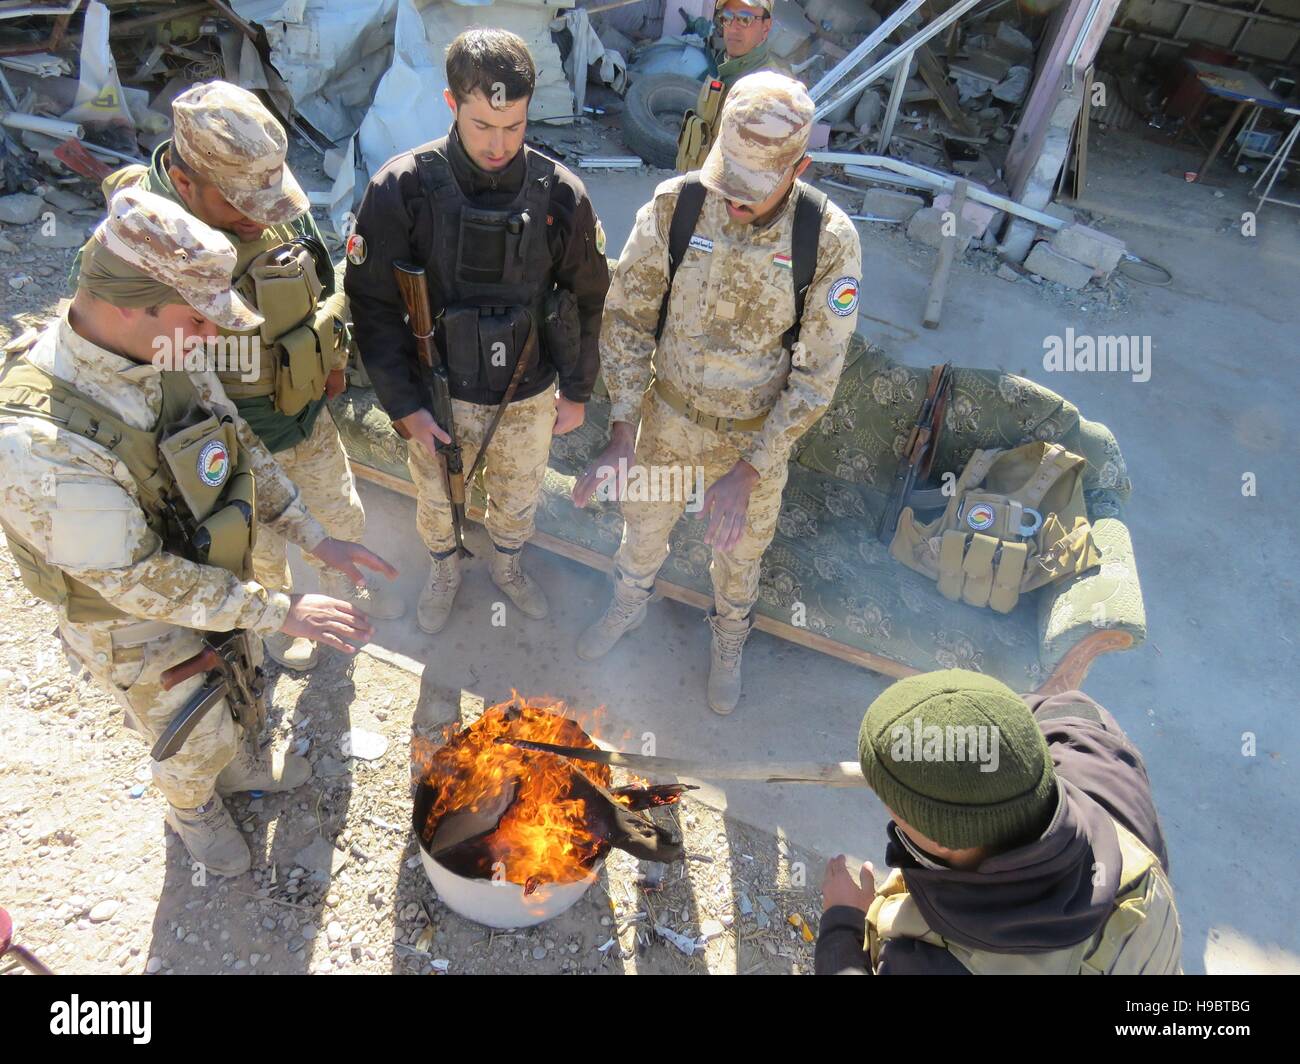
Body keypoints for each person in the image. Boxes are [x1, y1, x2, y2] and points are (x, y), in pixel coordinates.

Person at [0, 188, 396, 876]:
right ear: (127, 301)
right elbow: (136, 579)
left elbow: (236, 446)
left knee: (238, 689)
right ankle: (193, 810)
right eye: (196, 318)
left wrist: (312, 535)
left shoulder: (169, 345)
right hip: (135, 625)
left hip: (216, 576)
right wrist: (281, 610)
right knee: (184, 731)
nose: (212, 338)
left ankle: (240, 768)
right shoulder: (37, 443)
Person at [76, 80, 404, 673]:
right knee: (259, 545)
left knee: (338, 515)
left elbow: (319, 282)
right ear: (183, 183)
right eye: (240, 206)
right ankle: (284, 620)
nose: (261, 217)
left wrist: (330, 362)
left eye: (271, 199)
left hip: (300, 413)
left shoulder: (262, 201)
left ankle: (341, 591)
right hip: (221, 440)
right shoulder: (144, 248)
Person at [574, 72, 862, 715]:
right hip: (667, 421)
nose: (732, 199)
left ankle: (729, 639)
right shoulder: (677, 206)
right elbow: (627, 319)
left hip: (753, 438)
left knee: (739, 557)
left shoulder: (829, 239)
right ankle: (628, 606)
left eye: (751, 191)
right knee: (642, 529)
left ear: (801, 166)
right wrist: (623, 429)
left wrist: (752, 466)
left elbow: (817, 375)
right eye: (727, 177)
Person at [345, 28, 609, 635]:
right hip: (439, 392)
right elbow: (373, 305)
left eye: (513, 126)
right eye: (482, 125)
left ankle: (508, 566)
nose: (498, 144)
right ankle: (445, 568)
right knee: (437, 500)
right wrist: (404, 406)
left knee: (517, 499)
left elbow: (589, 297)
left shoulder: (560, 194)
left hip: (529, 391)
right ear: (450, 103)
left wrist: (577, 390)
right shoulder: (402, 188)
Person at [816, 670, 1183, 975]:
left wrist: (842, 922)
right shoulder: (1104, 771)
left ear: (944, 841)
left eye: (889, 801)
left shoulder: (930, 962)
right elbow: (1060, 706)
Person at [676, 0, 790, 170]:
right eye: (727, 17)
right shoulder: (724, 69)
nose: (734, 27)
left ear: (766, 27)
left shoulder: (770, 90)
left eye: (745, 19)